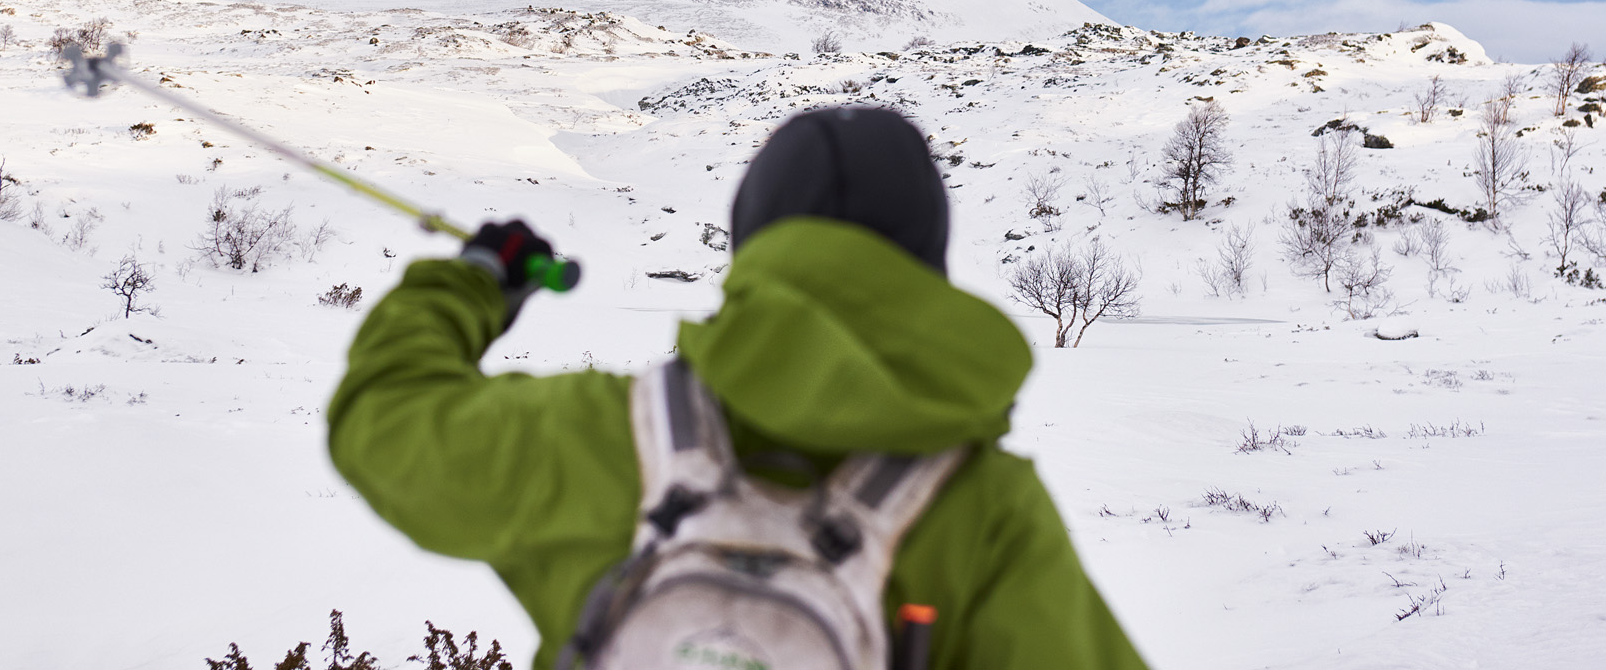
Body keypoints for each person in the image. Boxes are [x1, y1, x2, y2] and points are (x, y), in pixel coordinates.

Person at [328, 105, 1150, 668]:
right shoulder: (988, 509)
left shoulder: (607, 432)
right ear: (926, 256)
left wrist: (472, 285)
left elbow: (383, 418)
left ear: (750, 244)